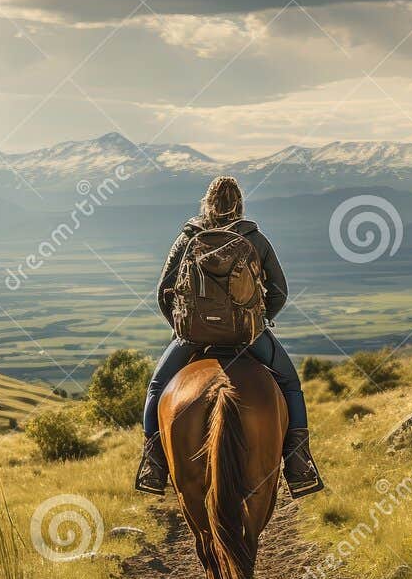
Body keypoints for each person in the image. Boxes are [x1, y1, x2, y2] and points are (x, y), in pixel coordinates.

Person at [135, 176, 325, 498]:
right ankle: (298, 466)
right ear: (240, 204)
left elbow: (162, 294)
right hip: (247, 336)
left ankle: (154, 465)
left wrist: (183, 327)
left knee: (156, 387)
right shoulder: (255, 239)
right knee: (291, 385)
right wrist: (259, 322)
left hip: (193, 339)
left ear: (206, 203)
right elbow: (279, 292)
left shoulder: (188, 239)